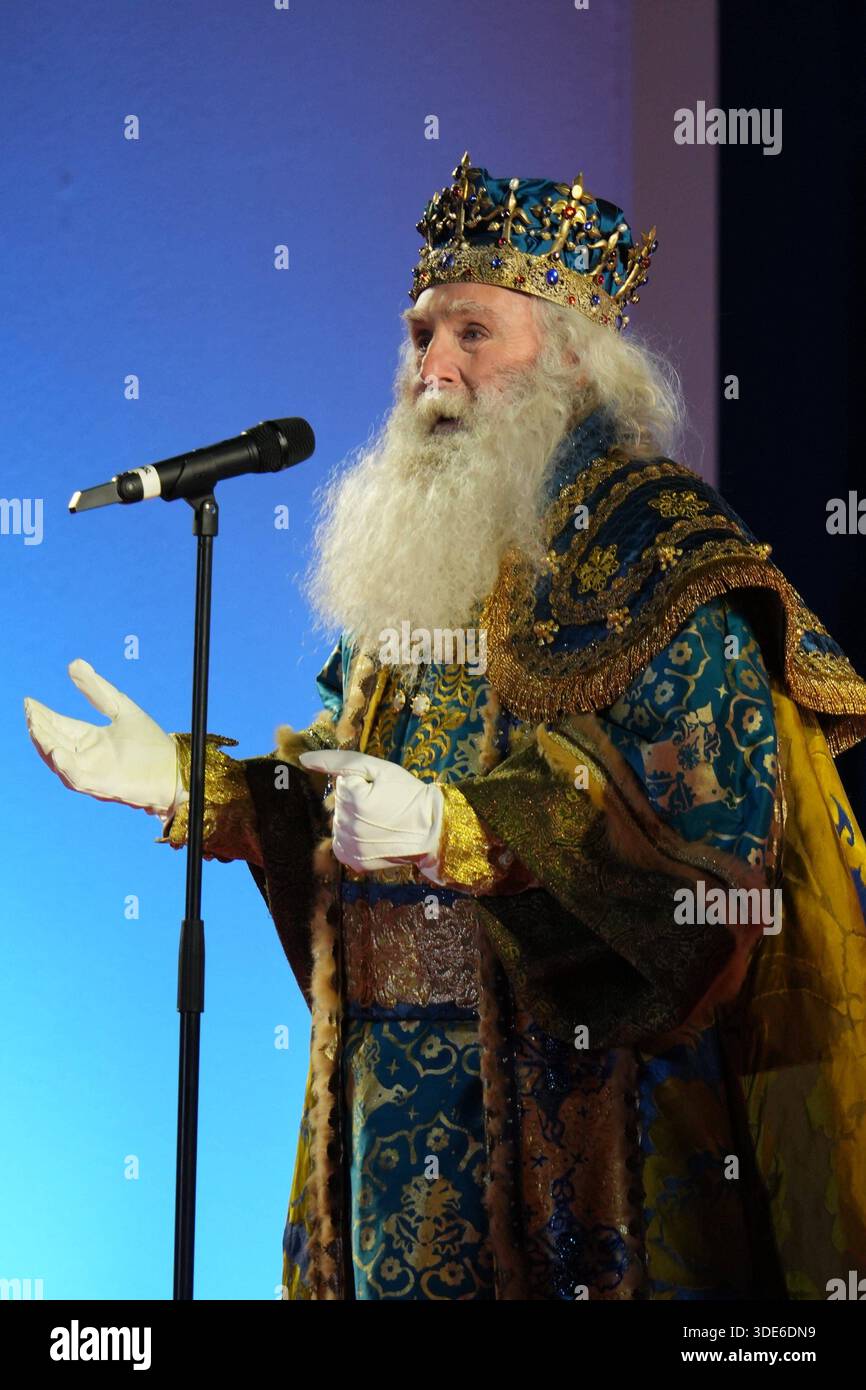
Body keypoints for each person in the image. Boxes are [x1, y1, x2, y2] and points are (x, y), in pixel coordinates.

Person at [25, 153, 866, 1302]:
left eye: (472, 333)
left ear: (572, 354)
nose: (431, 369)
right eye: (421, 333)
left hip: (579, 1130)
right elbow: (338, 775)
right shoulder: (423, 547)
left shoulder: (657, 547)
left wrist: (458, 828)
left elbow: (715, 848)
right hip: (383, 1121)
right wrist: (196, 784)